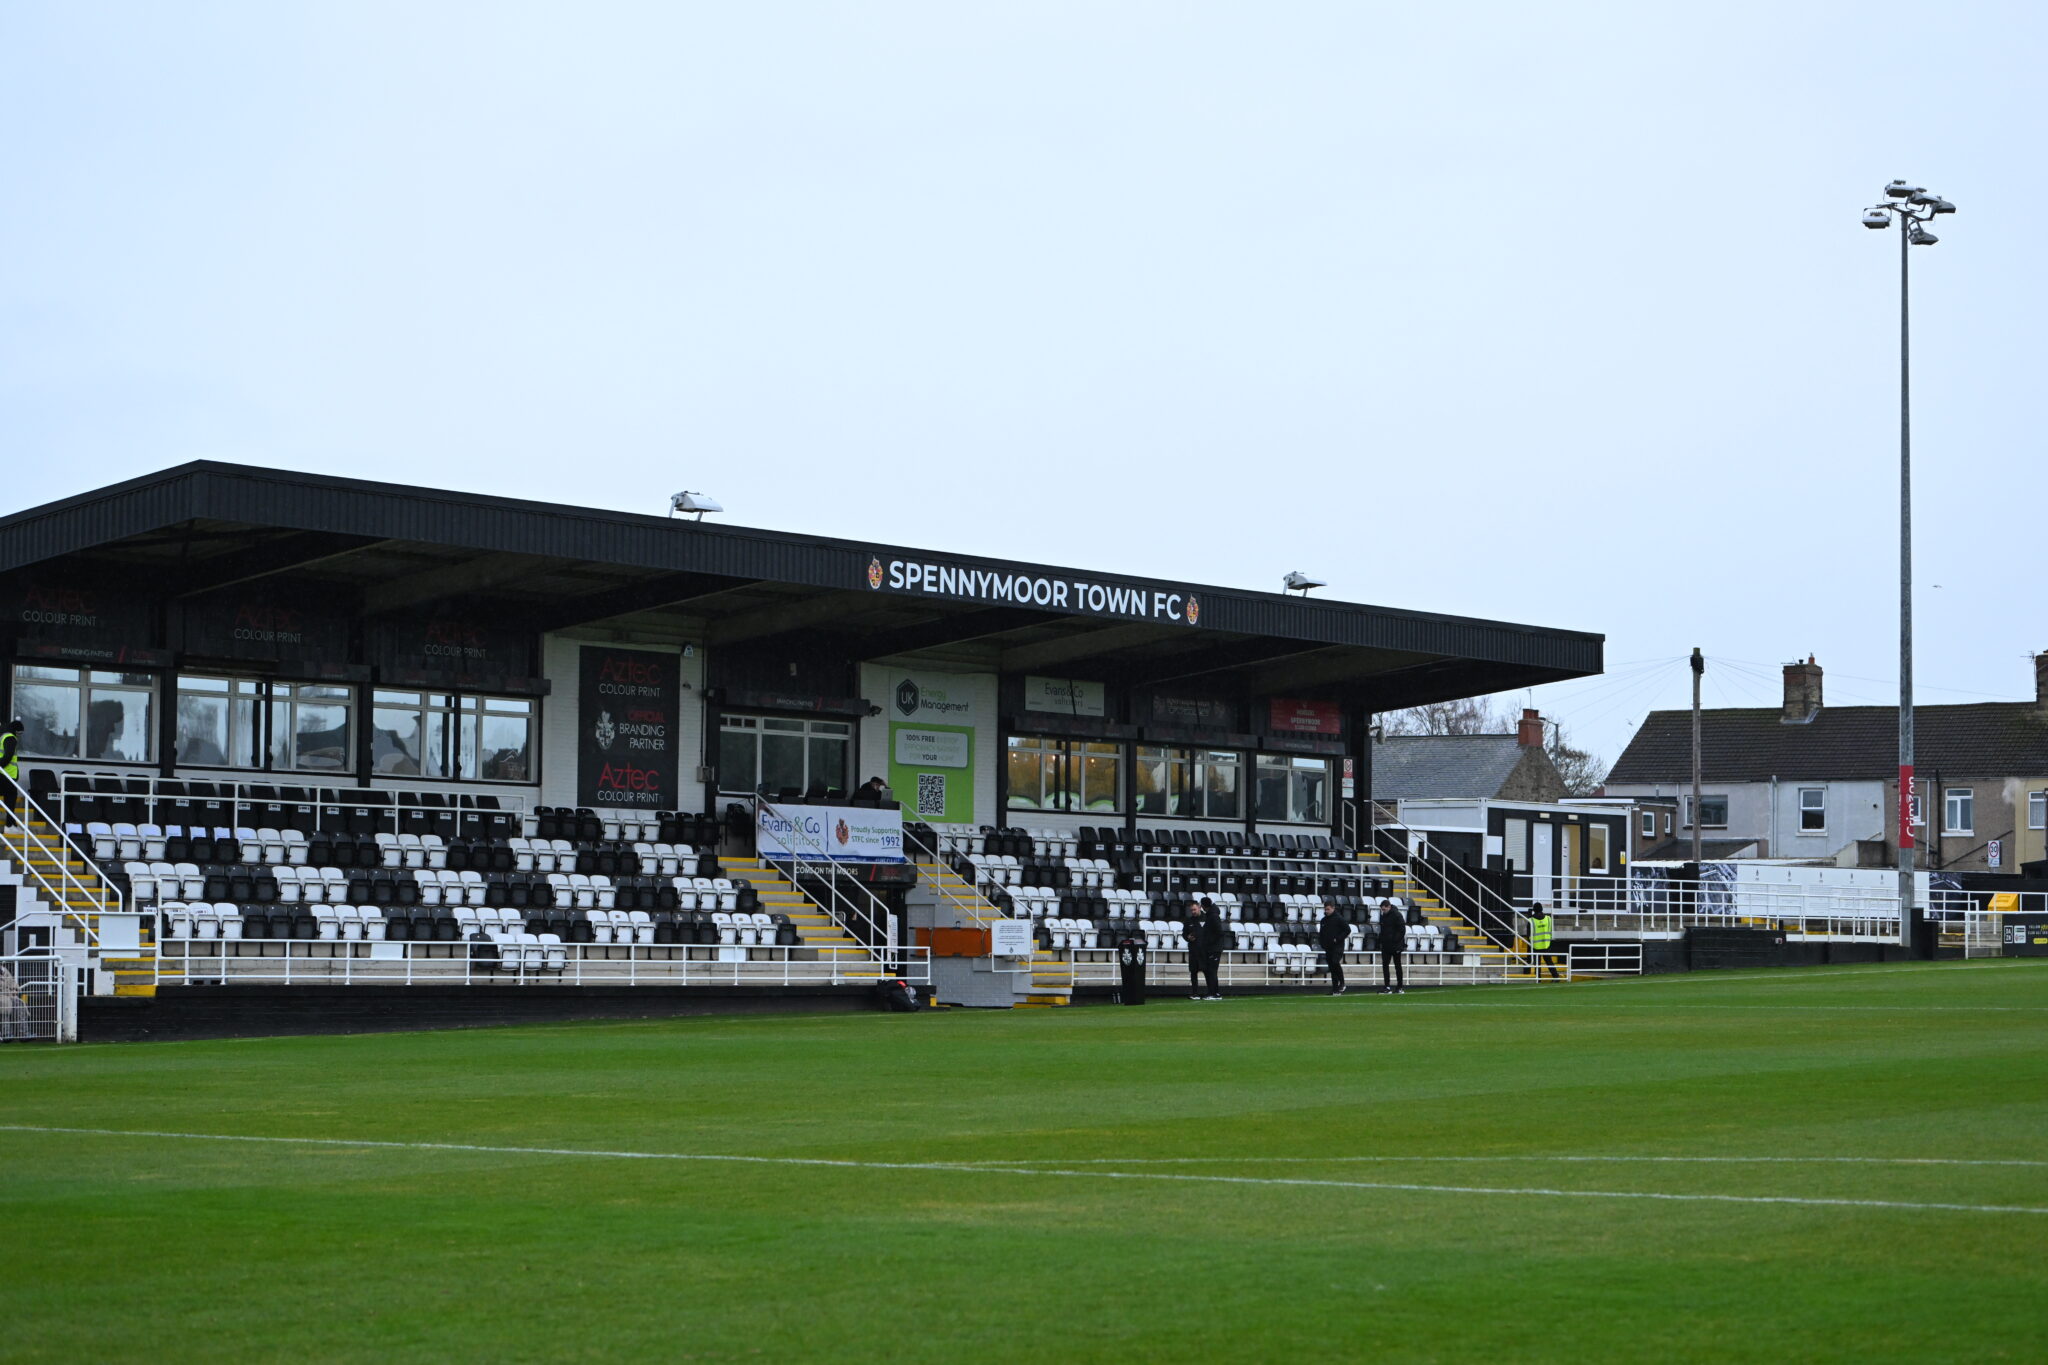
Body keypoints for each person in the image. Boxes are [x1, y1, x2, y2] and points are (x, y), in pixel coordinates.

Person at [1185, 897, 1224, 1000]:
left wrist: (1210, 943)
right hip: (1196, 950)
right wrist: (1188, 937)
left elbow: (1219, 932)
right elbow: (1184, 934)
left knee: (1210, 971)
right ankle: (1204, 993)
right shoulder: (1189, 920)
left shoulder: (1210, 917)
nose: (1193, 912)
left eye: (1194, 909)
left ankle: (1213, 993)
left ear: (1200, 907)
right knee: (1198, 971)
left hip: (1209, 950)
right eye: (1191, 910)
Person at [1317, 899, 1350, 995]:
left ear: (1333, 908)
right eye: (1325, 909)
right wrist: (1322, 943)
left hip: (1338, 946)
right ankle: (1335, 989)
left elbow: (1347, 930)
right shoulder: (1323, 920)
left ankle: (1342, 983)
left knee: (1335, 962)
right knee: (1331, 967)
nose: (1326, 911)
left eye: (1328, 909)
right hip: (1328, 947)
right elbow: (1322, 933)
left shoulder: (1339, 918)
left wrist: (1337, 939)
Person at [1377, 899, 1407, 994]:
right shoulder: (1383, 916)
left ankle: (1399, 987)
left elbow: (1402, 930)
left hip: (1395, 945)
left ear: (1389, 907)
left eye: (1384, 909)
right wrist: (1381, 940)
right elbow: (1383, 930)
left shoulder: (1397, 915)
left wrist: (1395, 941)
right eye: (1382, 909)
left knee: (1397, 965)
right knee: (1385, 965)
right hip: (1386, 945)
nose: (1383, 911)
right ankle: (1387, 986)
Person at [1529, 902, 1561, 979]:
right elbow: (1550, 931)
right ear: (1542, 909)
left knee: (1537, 964)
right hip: (1546, 944)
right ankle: (1556, 976)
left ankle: (1538, 979)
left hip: (1535, 945)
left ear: (1534, 910)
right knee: (1549, 961)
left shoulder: (1531, 920)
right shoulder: (1548, 919)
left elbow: (1528, 934)